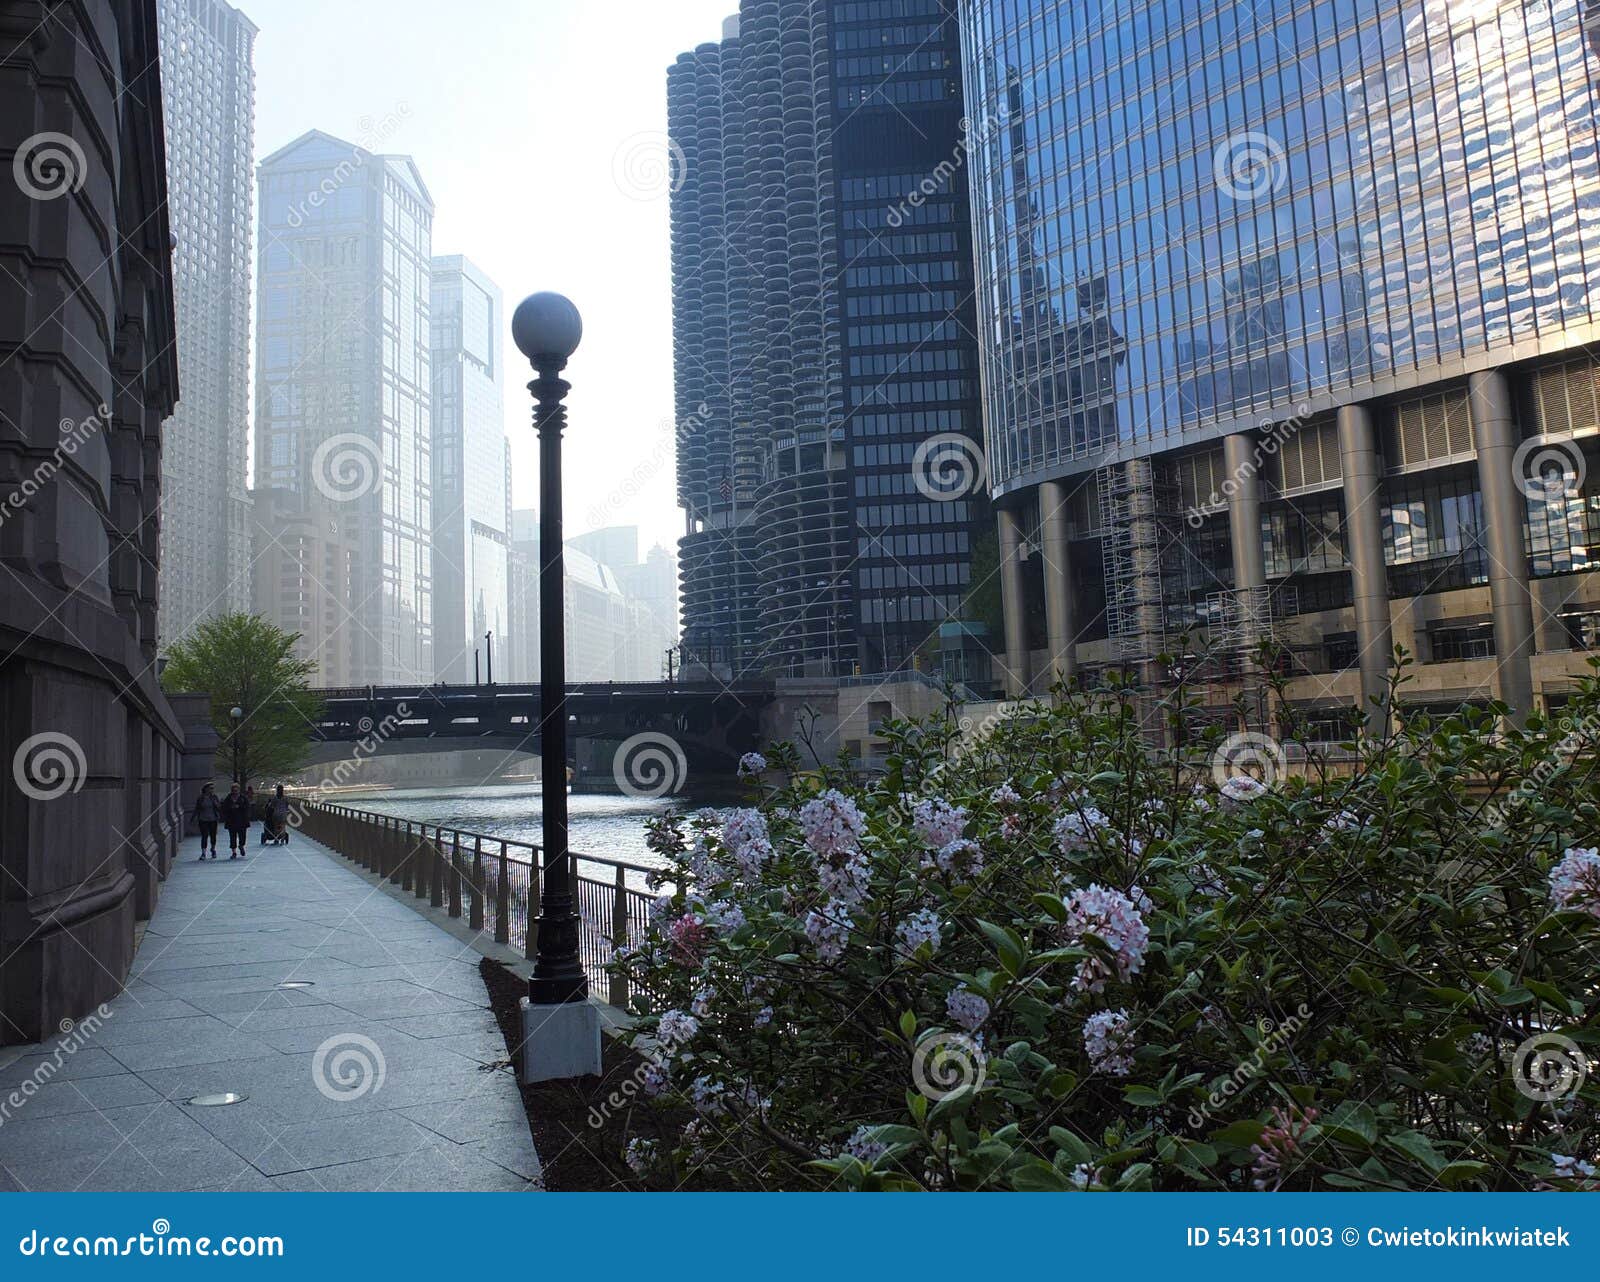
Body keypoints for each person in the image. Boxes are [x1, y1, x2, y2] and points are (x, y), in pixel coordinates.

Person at [219, 782, 251, 859]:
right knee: (232, 837)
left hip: (242, 820)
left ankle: (241, 845)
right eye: (233, 790)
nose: (235, 792)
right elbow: (224, 808)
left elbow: (247, 807)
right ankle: (234, 852)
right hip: (231, 821)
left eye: (236, 790)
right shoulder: (228, 798)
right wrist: (231, 807)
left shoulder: (243, 798)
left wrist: (239, 806)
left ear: (239, 790)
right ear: (231, 791)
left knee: (242, 836)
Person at [193, 783, 221, 860]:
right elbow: (197, 808)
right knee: (204, 836)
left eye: (212, 788)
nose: (212, 790)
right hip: (203, 819)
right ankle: (203, 853)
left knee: (213, 835)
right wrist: (193, 819)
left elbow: (219, 807)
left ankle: (213, 849)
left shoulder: (214, 797)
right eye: (210, 788)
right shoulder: (201, 798)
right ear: (205, 789)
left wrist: (216, 804)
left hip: (213, 819)